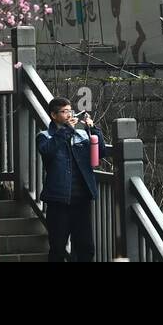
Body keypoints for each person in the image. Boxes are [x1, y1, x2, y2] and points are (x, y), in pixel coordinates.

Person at [37, 98, 109, 262]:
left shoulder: (81, 134)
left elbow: (101, 152)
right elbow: (47, 152)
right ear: (53, 115)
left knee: (86, 248)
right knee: (57, 247)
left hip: (81, 200)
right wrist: (66, 130)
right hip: (58, 201)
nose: (69, 114)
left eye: (70, 110)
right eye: (64, 111)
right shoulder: (45, 136)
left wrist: (93, 129)